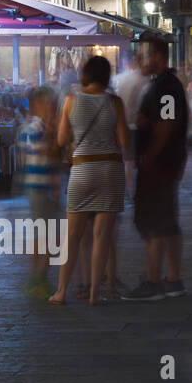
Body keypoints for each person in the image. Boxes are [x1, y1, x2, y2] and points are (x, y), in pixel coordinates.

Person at [50, 55, 130, 306]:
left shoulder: (71, 100)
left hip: (82, 168)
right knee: (102, 234)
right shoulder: (114, 102)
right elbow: (125, 141)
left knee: (73, 235)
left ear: (85, 74)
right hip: (110, 169)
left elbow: (62, 140)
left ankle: (61, 291)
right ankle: (96, 292)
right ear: (106, 76)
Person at [123, 35, 189, 301]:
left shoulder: (166, 86)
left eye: (143, 55)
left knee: (154, 221)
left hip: (160, 164)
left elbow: (167, 123)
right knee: (168, 221)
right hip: (166, 161)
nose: (139, 60)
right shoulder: (162, 85)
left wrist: (149, 153)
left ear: (157, 58)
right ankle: (173, 279)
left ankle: (154, 281)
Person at [17, 87, 62, 299]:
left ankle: (38, 277)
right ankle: (37, 279)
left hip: (44, 186)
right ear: (39, 106)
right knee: (45, 235)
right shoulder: (35, 127)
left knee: (47, 234)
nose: (54, 108)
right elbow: (48, 152)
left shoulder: (38, 127)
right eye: (50, 104)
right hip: (38, 187)